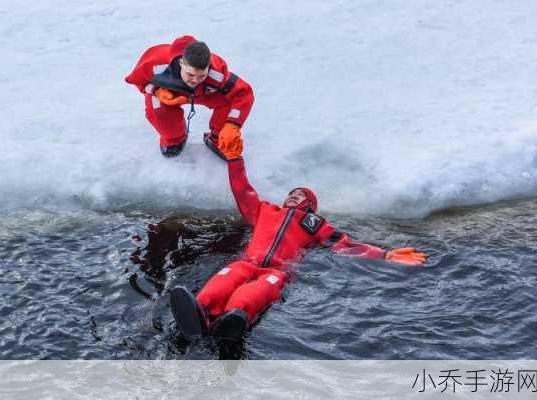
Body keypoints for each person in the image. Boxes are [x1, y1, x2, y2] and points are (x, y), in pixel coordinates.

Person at [170, 136, 428, 342]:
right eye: (292, 193)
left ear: (311, 205)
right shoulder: (264, 210)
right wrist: (235, 159)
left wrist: (384, 254)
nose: (293, 196)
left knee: (250, 297)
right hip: (247, 262)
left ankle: (231, 322)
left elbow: (346, 246)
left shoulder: (315, 224)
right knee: (222, 283)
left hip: (277, 271)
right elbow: (242, 188)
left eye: (301, 195)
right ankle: (201, 312)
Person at [125, 35, 255, 158]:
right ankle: (175, 138)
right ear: (181, 63)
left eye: (202, 75)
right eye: (190, 75)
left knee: (229, 99)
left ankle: (219, 138)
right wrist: (156, 91)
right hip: (169, 94)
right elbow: (137, 81)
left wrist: (233, 125)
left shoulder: (217, 73)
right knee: (158, 109)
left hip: (203, 94)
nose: (195, 80)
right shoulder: (155, 64)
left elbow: (243, 93)